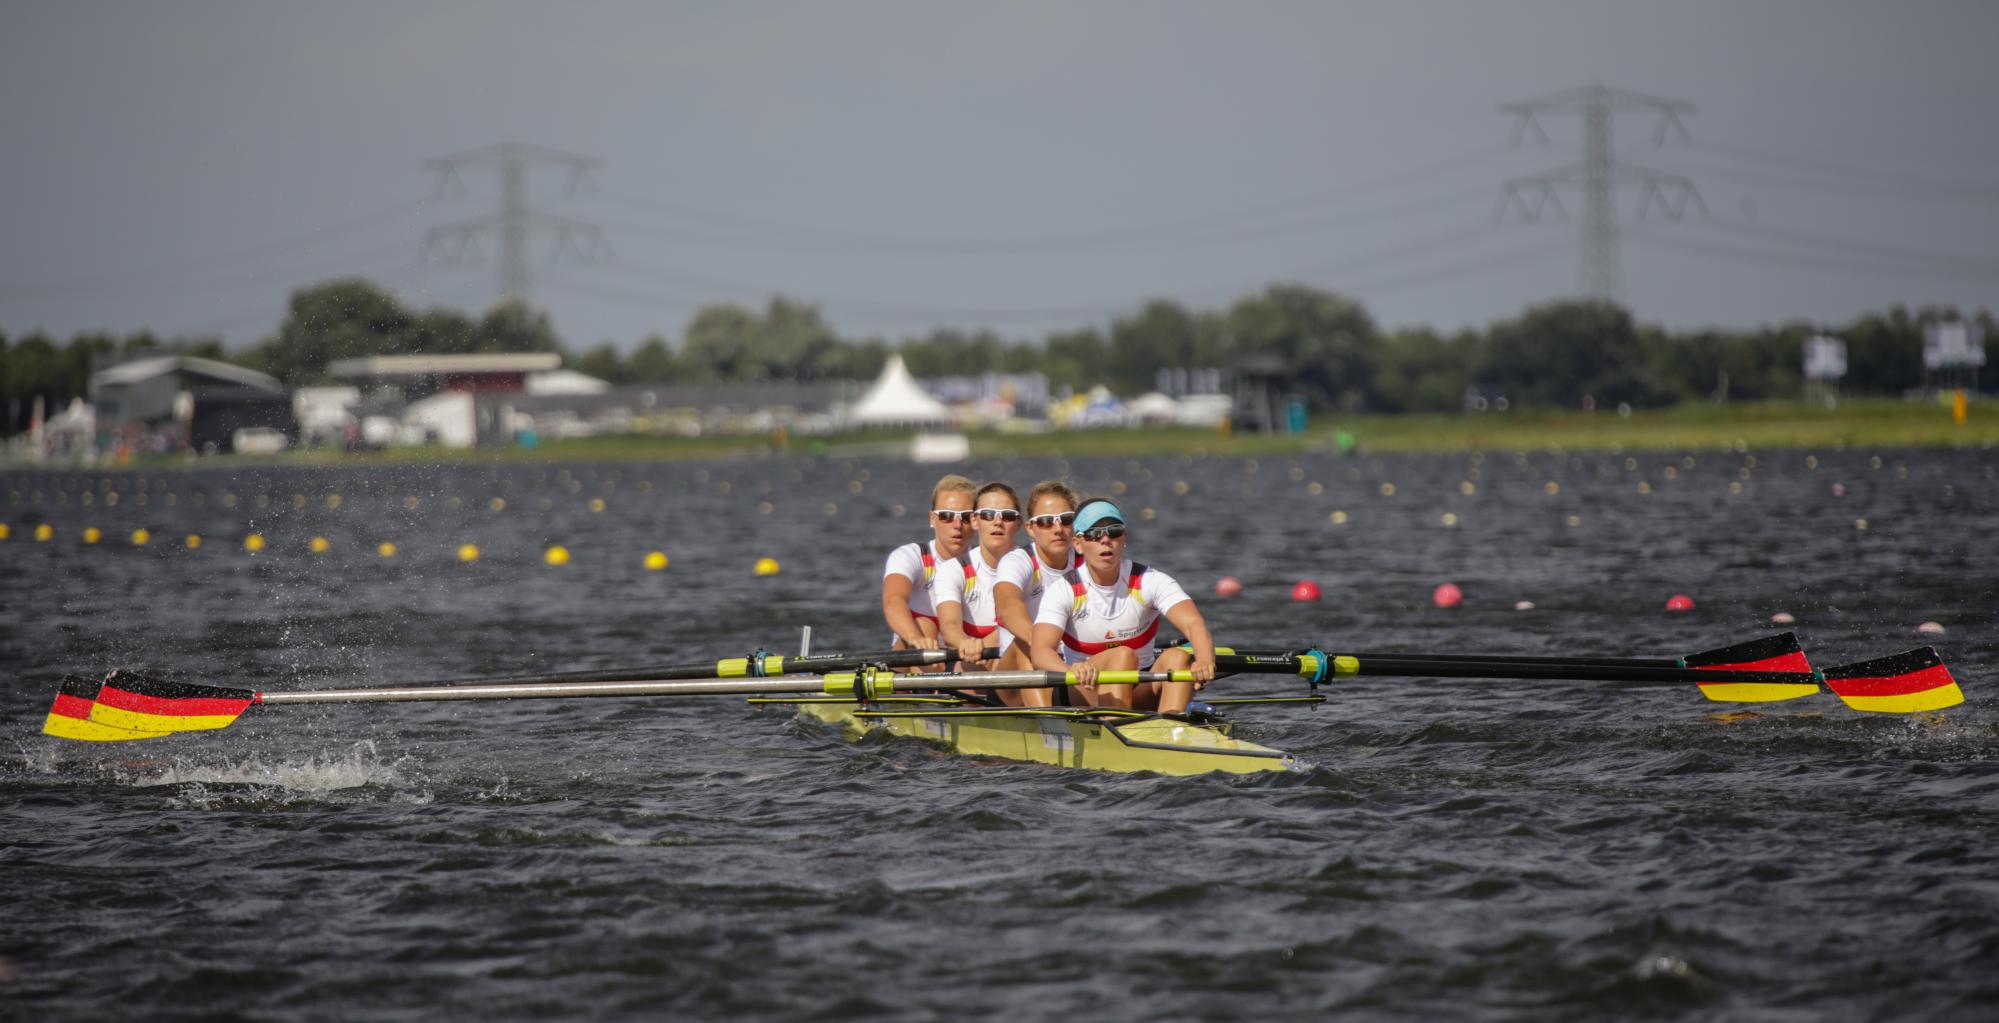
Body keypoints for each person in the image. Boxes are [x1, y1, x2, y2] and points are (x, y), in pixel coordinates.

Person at [1028, 498, 1216, 713]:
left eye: (1114, 531)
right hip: (1084, 689)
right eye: (1094, 534)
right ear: (1078, 544)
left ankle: (1173, 728)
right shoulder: (1064, 589)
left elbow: (1193, 623)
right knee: (1122, 654)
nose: (1105, 540)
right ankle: (1116, 726)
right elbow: (1041, 652)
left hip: (1139, 689)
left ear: (1123, 538)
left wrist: (1204, 660)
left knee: (1179, 656)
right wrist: (1070, 670)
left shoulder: (1150, 580)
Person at [989, 480, 1081, 706]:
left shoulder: (1088, 562)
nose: (1058, 529)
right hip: (1012, 679)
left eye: (1066, 520)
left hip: (1066, 666)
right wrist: (1042, 644)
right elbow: (1007, 604)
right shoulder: (1017, 561)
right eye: (1046, 522)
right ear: (1030, 528)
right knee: (1028, 644)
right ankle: (1049, 727)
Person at [932, 481, 1025, 696]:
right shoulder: (953, 570)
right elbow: (949, 626)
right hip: (973, 663)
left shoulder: (1031, 566)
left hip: (1016, 660)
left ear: (1019, 523)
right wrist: (965, 643)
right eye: (988, 515)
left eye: (1007, 516)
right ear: (974, 521)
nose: (998, 522)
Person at [881, 474, 976, 657]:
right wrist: (915, 637)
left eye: (966, 517)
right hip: (916, 651)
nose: (957, 525)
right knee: (925, 625)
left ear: (976, 521)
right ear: (932, 519)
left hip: (966, 656)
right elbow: (893, 601)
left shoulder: (985, 563)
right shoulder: (909, 556)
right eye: (947, 516)